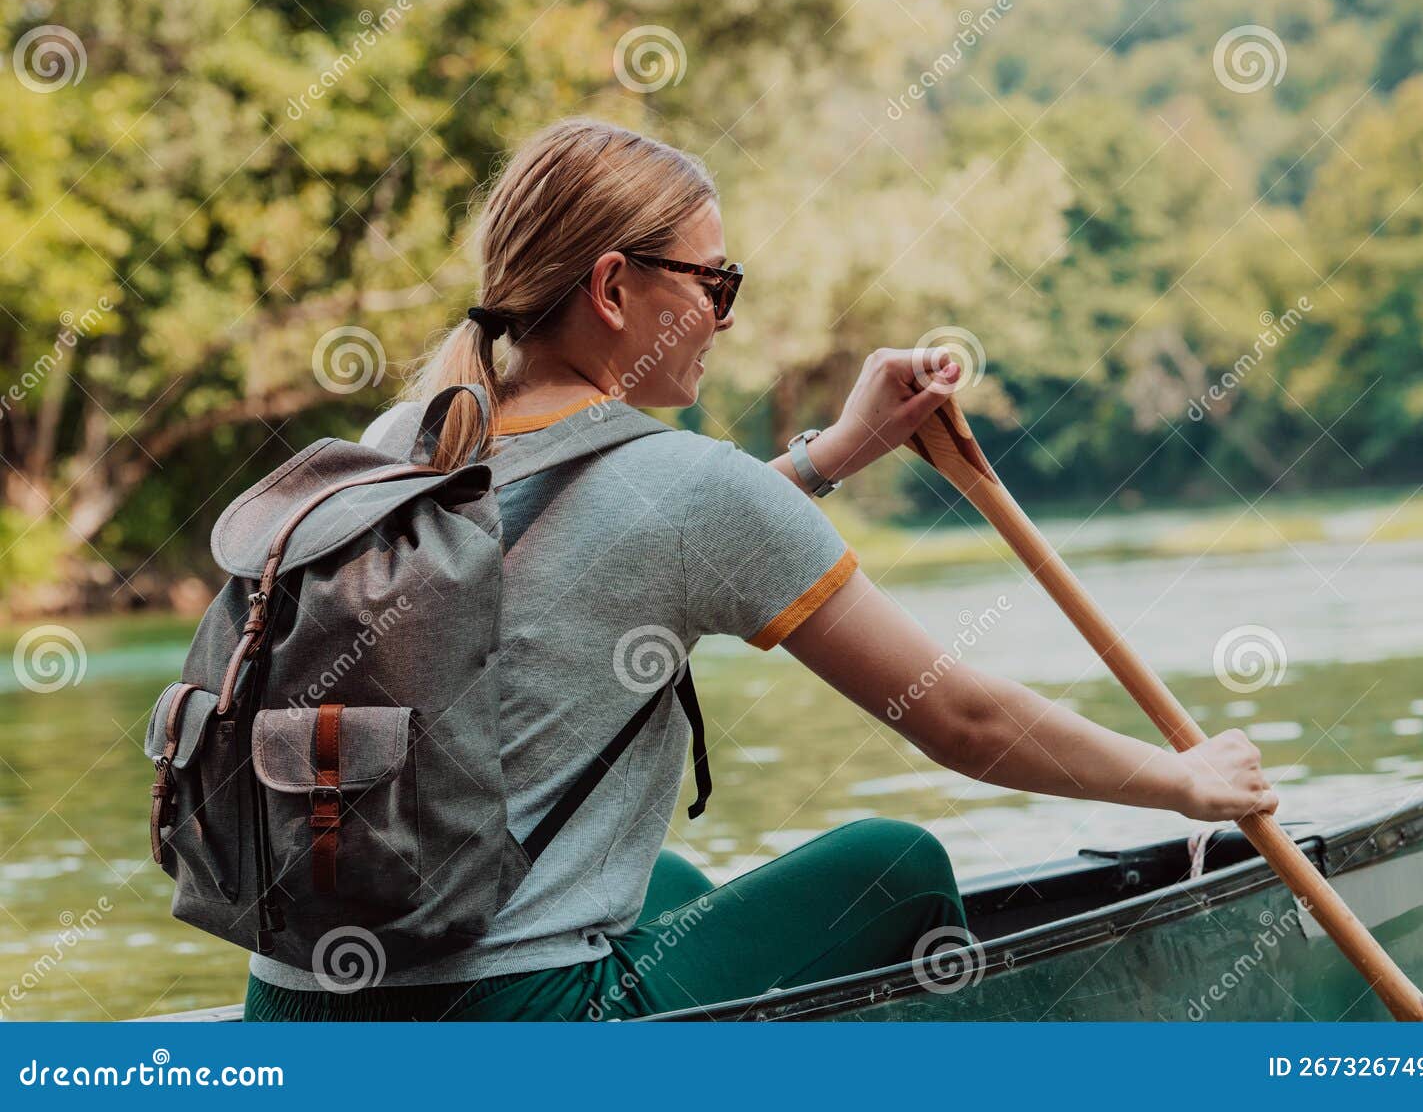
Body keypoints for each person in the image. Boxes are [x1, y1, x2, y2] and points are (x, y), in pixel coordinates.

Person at [243, 118, 1276, 1021]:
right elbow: (961, 719)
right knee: (895, 866)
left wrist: (833, 452)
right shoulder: (687, 485)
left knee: (667, 880)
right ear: (613, 286)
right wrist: (1181, 781)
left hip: (293, 1010)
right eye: (715, 282)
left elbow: (617, 544)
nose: (726, 317)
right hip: (517, 1027)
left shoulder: (404, 438)